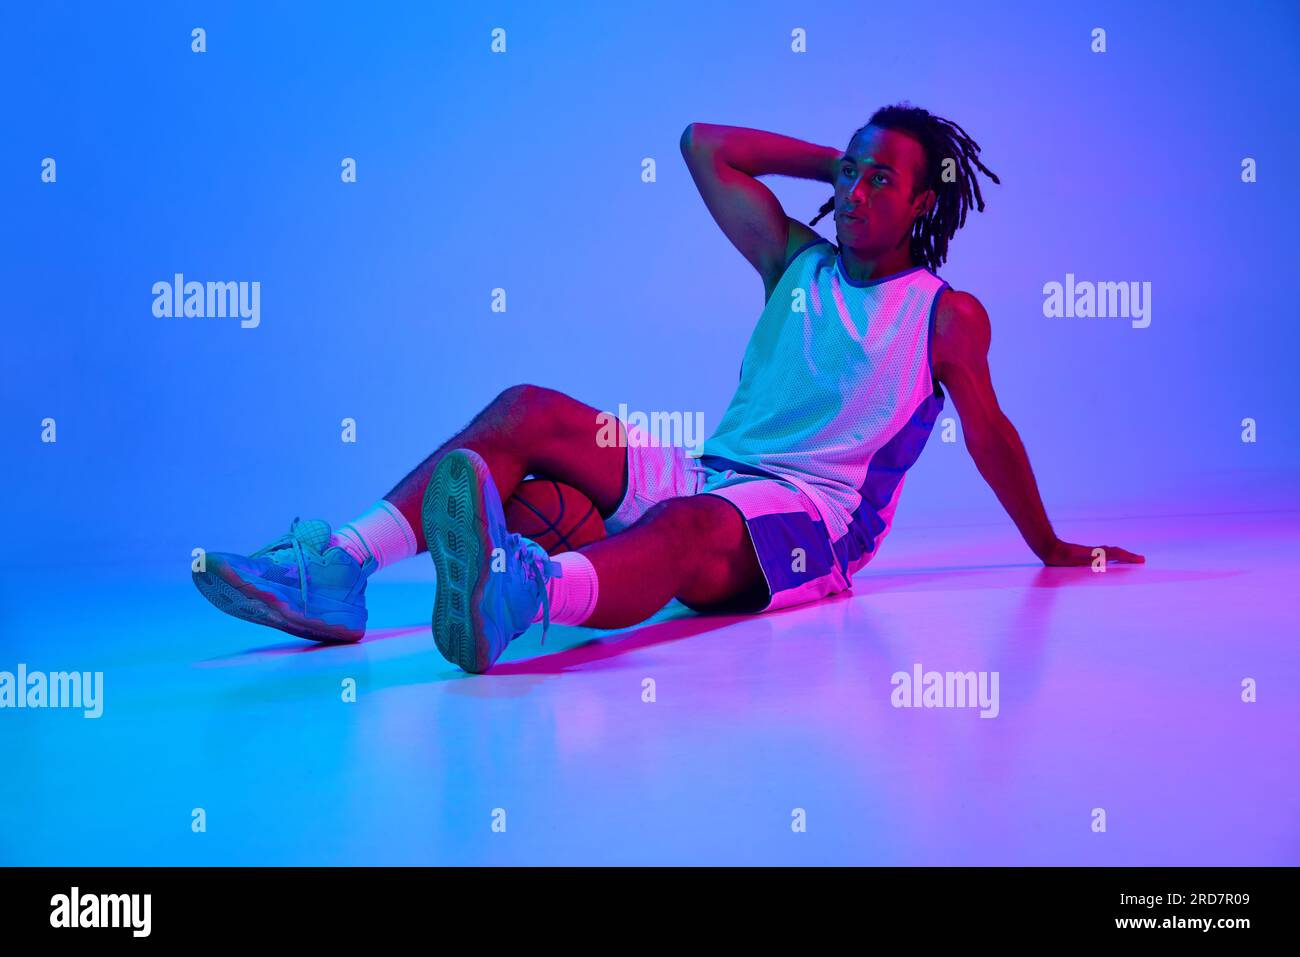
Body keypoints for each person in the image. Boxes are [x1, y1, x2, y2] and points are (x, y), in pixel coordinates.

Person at [194, 103, 1144, 673]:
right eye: (849, 174)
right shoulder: (792, 259)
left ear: (926, 200)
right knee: (527, 409)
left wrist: (1052, 545)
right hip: (711, 469)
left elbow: (989, 434)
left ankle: (528, 592)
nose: (854, 190)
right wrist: (837, 159)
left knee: (682, 534)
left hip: (812, 518)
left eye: (880, 178)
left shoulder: (944, 313)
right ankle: (343, 572)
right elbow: (702, 144)